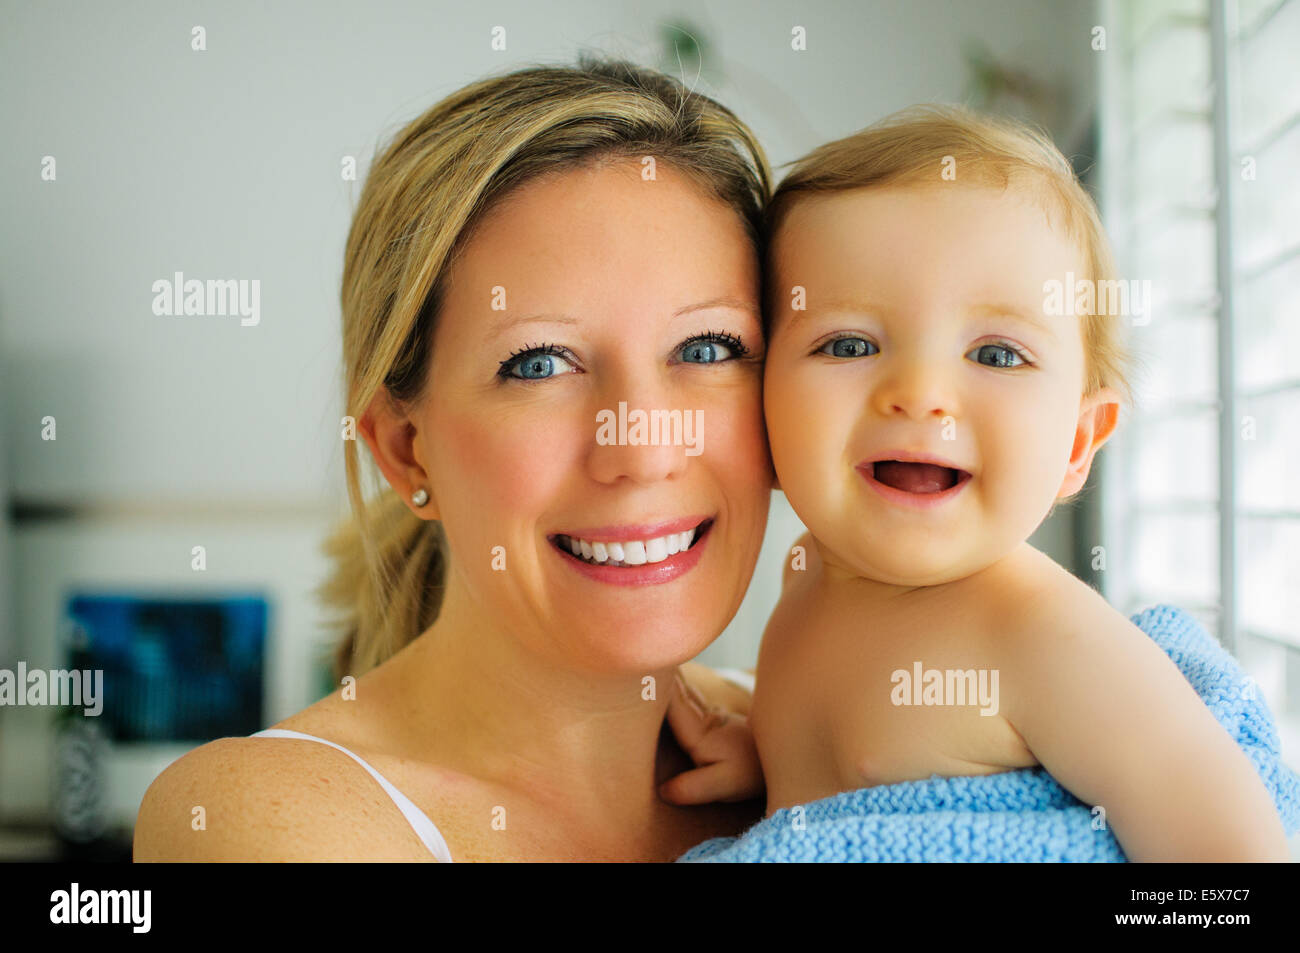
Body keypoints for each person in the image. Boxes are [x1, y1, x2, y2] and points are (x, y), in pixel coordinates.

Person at [134, 57, 774, 861]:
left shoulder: (823, 744)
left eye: (707, 346)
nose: (641, 448)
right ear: (405, 450)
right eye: (540, 363)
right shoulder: (265, 816)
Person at [751, 105, 1290, 861]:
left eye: (998, 354)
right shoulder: (803, 578)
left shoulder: (1043, 637)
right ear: (758, 404)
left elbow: (1236, 862)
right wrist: (754, 752)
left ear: (1077, 442)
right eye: (849, 342)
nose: (920, 392)